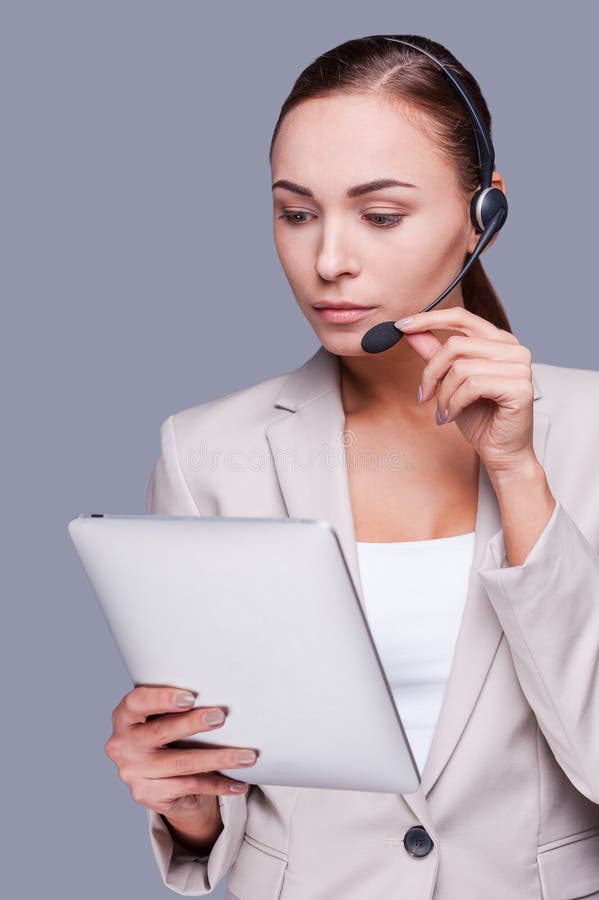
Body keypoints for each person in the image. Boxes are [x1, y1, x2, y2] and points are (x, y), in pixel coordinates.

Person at [104, 34, 599, 898]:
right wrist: (183, 796)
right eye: (297, 213)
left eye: (379, 216)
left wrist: (518, 473)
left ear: (483, 214)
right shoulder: (204, 454)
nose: (328, 260)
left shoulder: (588, 430)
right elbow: (225, 781)